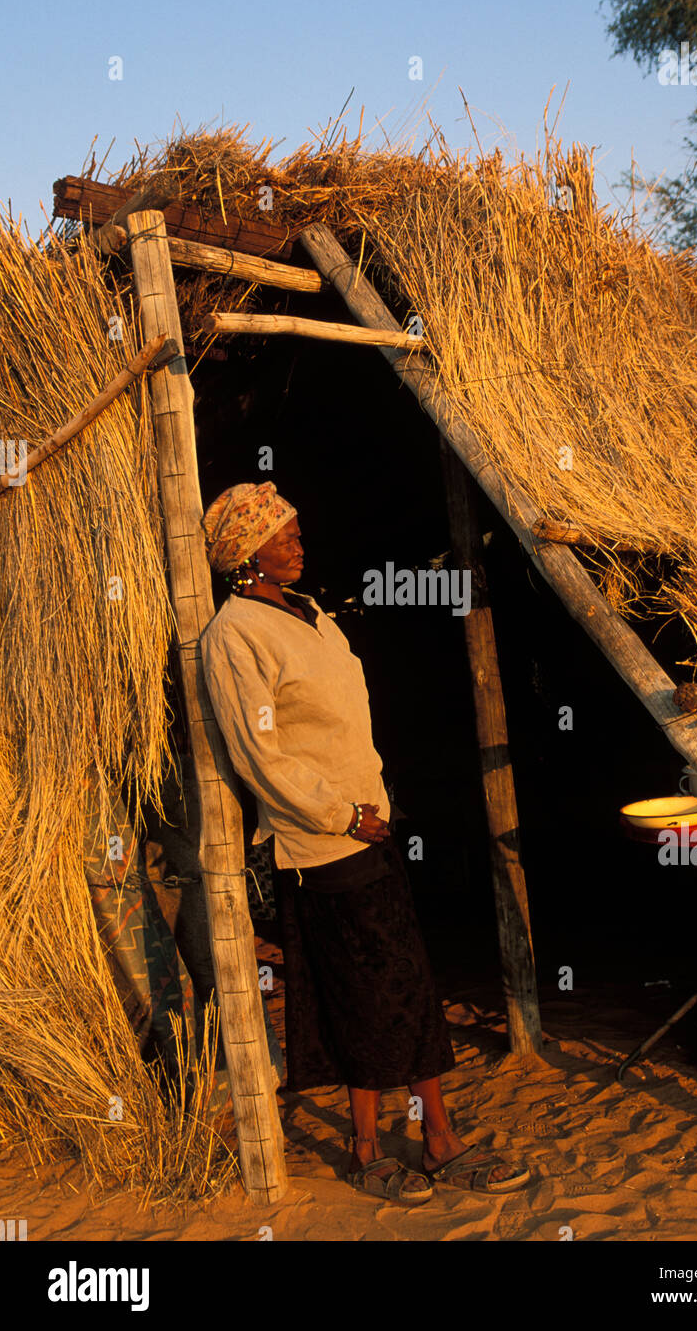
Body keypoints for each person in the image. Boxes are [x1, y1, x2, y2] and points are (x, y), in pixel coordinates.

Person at [199, 481, 530, 1203]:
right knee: (364, 995)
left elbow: (344, 727)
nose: (297, 542)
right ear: (245, 554)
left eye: (294, 530)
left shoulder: (313, 616)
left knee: (407, 986)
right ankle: (375, 1145)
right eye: (282, 534)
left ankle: (436, 1139)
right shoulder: (234, 636)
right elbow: (261, 757)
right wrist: (339, 815)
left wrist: (369, 807)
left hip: (367, 831)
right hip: (322, 844)